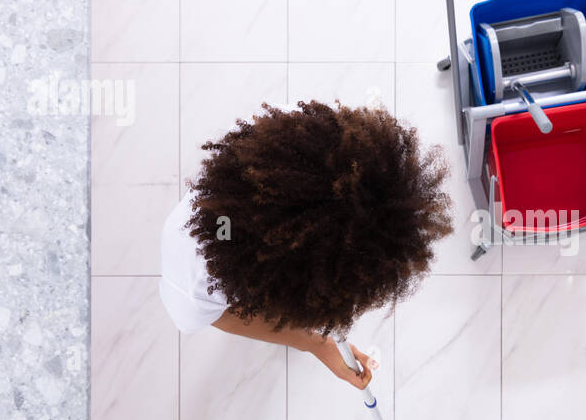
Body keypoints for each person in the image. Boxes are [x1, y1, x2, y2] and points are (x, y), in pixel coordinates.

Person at [159, 100, 453, 389]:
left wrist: (321, 345)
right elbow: (221, 316)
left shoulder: (293, 141)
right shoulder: (195, 285)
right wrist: (314, 343)